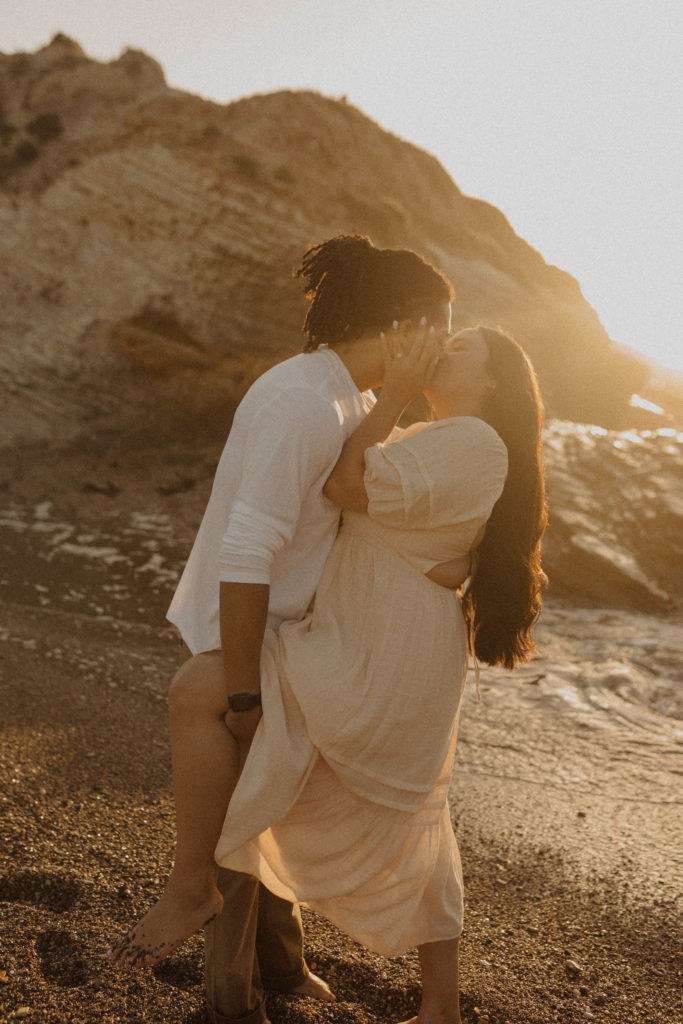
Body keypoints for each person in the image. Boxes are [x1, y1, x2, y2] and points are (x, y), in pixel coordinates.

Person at [111, 317, 547, 1024]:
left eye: (458, 347)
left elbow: (347, 485)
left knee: (204, 691)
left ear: (493, 380)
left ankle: (195, 888)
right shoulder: (431, 442)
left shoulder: (473, 439)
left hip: (382, 652)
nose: (441, 348)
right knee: (388, 809)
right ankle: (375, 987)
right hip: (361, 639)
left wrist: (393, 393)